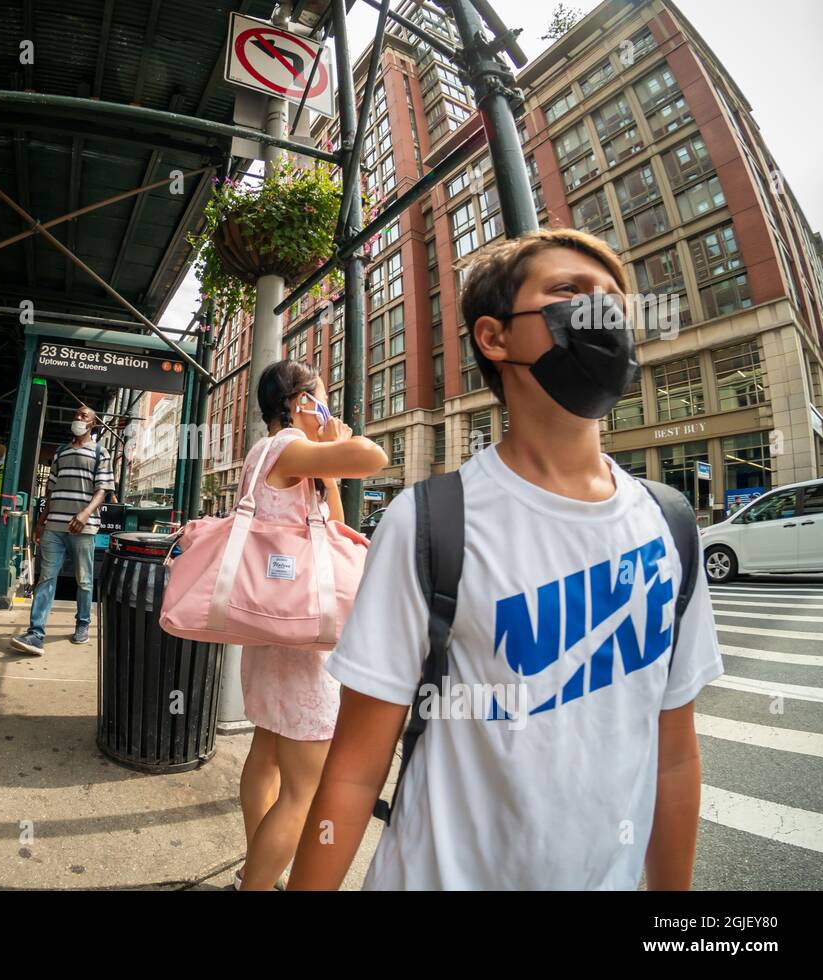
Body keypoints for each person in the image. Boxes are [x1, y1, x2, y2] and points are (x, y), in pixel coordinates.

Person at [288, 229, 723, 891]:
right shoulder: (432, 521)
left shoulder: (669, 524)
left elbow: (673, 757)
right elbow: (352, 769)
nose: (603, 314)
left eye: (614, 301)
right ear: (494, 338)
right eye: (570, 294)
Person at [232, 360, 386, 891]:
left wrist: (325, 466)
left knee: (267, 756)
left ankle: (257, 866)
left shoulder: (263, 454)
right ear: (300, 402)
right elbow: (373, 456)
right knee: (304, 792)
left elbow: (338, 528)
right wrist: (335, 435)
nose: (329, 408)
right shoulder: (291, 448)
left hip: (273, 627)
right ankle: (255, 883)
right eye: (322, 398)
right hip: (303, 634)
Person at [9, 405, 114, 654]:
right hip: (54, 525)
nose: (78, 418)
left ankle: (82, 624)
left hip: (83, 527)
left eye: (84, 416)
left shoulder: (101, 452)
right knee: (46, 578)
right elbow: (51, 489)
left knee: (85, 580)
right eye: (76, 414)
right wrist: (41, 520)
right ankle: (35, 633)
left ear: (93, 424)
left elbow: (103, 490)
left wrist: (85, 513)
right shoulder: (60, 452)